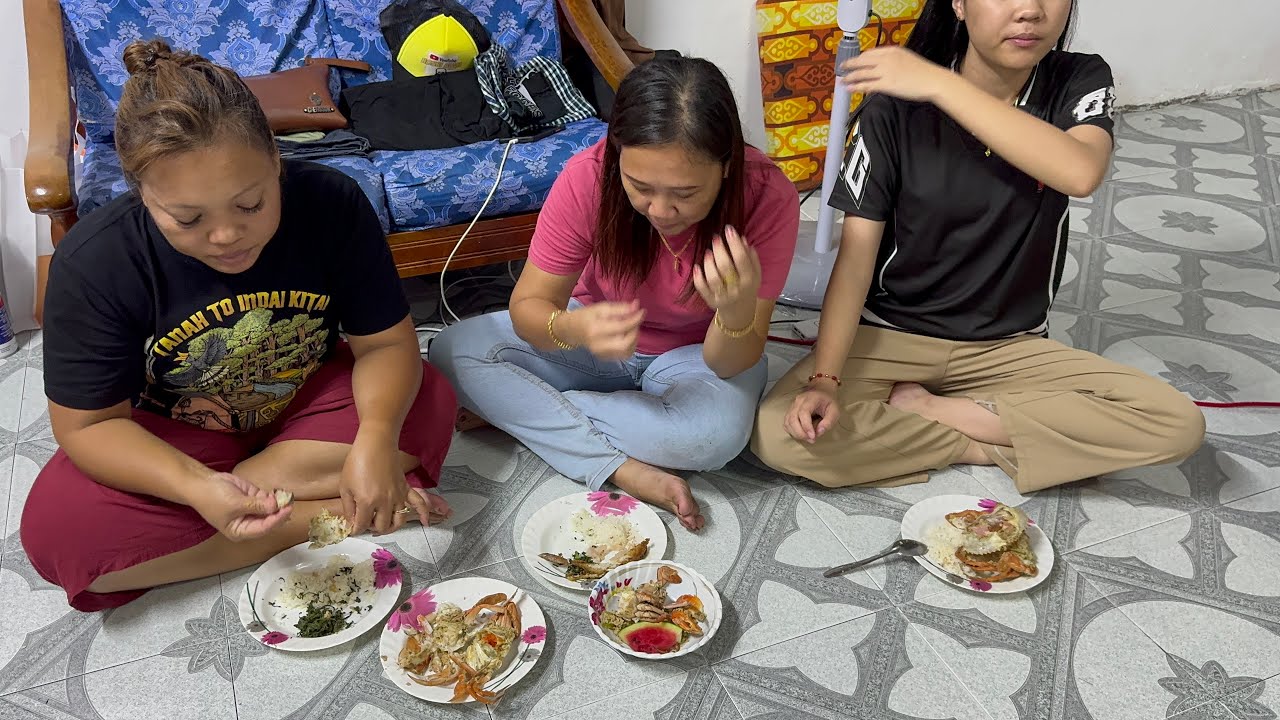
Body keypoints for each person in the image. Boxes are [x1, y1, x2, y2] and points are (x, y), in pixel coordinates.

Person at [21, 40, 456, 612]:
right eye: (187, 218)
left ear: (276, 159)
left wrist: (374, 438)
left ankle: (246, 509)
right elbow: (89, 427)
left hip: (305, 400)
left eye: (250, 205)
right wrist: (195, 486)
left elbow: (384, 345)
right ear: (141, 192)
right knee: (59, 532)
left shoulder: (331, 202)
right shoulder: (95, 261)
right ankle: (322, 515)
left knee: (427, 396)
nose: (226, 236)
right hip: (175, 432)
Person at [752, 0, 1205, 492]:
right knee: (776, 434)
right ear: (959, 4)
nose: (1029, 10)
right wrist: (825, 380)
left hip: (1009, 347)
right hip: (892, 336)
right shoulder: (892, 111)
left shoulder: (1076, 79)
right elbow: (856, 263)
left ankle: (932, 413)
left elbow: (1080, 171)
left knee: (1175, 425)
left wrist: (940, 85)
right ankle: (987, 443)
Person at [430, 57, 800, 531]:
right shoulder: (587, 176)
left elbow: (730, 364)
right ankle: (620, 466)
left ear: (727, 166)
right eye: (639, 186)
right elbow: (529, 308)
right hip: (594, 339)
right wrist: (570, 326)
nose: (660, 209)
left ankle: (524, 406)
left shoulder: (767, 195)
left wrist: (734, 311)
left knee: (713, 439)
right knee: (452, 350)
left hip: (697, 356)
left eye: (685, 193)